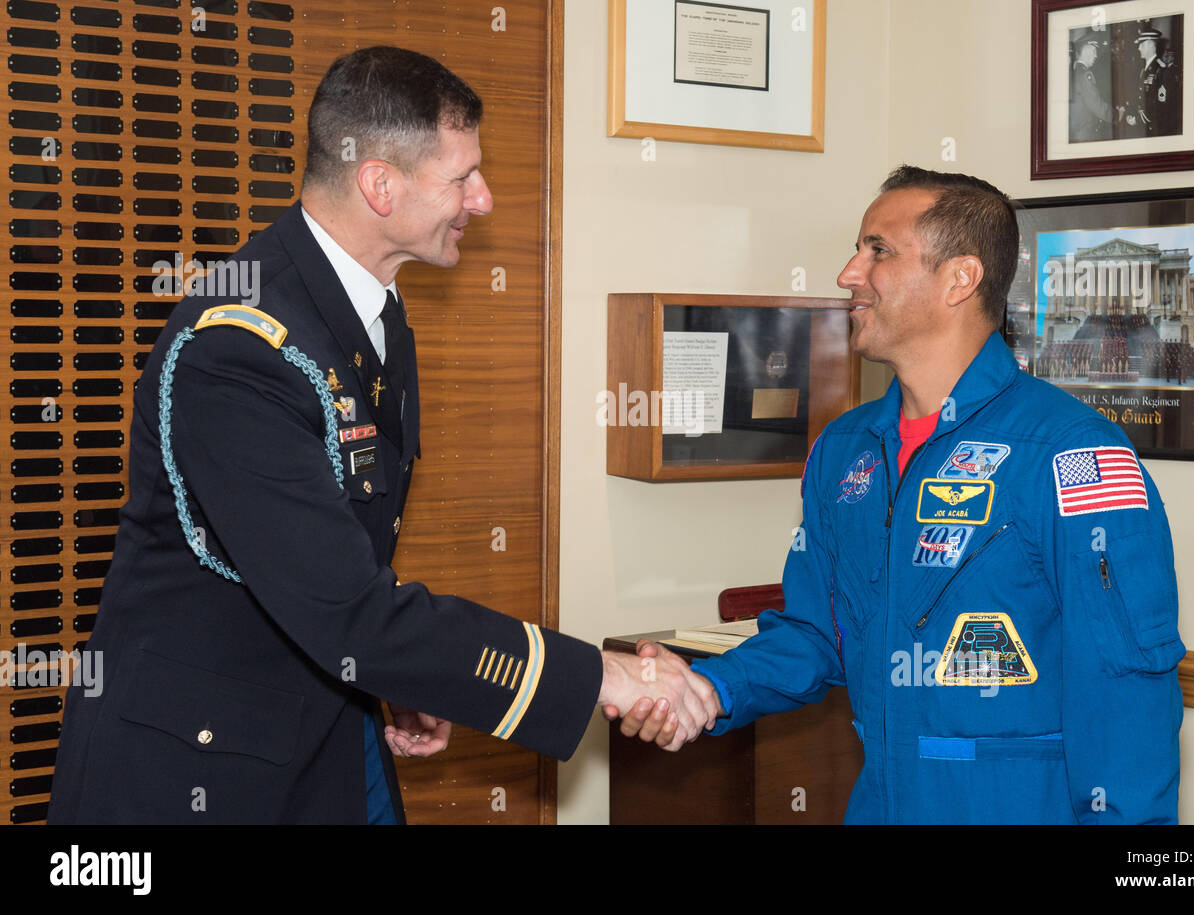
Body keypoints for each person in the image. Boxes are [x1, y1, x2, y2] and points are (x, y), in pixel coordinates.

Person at [47, 46, 716, 825]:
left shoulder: (374, 311)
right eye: (461, 176)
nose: (485, 198)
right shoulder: (237, 350)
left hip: (325, 725)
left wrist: (401, 674)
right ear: (380, 184)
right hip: (200, 772)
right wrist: (601, 676)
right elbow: (348, 608)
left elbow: (342, 564)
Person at [623, 166, 1186, 824]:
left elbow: (1125, 698)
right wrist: (709, 688)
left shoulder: (1072, 454)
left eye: (878, 251)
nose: (849, 273)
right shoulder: (846, 448)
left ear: (961, 278)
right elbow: (816, 632)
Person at [1068, 33, 1123, 142]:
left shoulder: (1075, 71)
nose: (1096, 56)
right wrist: (1117, 115)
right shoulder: (1085, 74)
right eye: (1094, 52)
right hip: (1085, 132)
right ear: (1086, 52)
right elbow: (1095, 104)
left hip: (1077, 130)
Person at [1128, 27, 1181, 137]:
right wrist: (1132, 113)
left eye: (1141, 45)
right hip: (1144, 126)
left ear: (1150, 45)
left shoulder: (1161, 70)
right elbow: (1140, 97)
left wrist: (1138, 119)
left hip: (1155, 129)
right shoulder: (1144, 69)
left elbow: (1161, 106)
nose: (1138, 48)